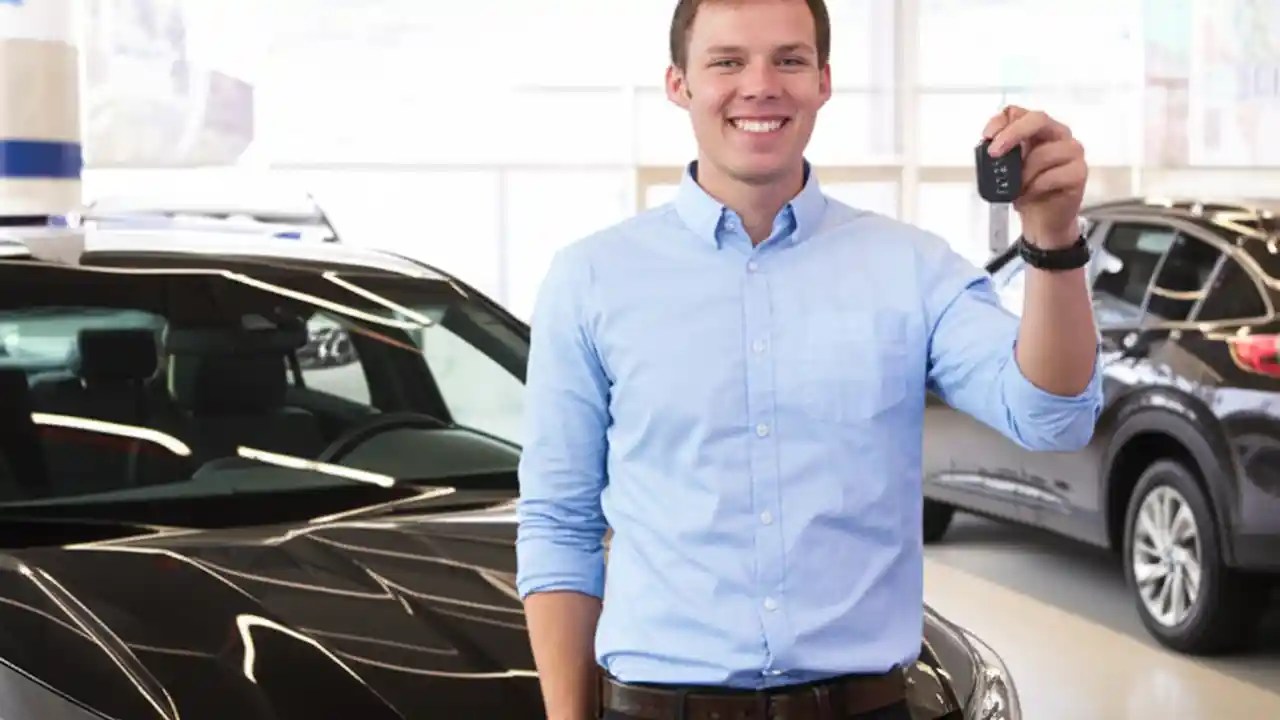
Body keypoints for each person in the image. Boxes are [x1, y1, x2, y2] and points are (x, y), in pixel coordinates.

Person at [515, 0, 1103, 718]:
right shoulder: (591, 279)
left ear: (824, 80)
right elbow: (559, 524)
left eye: (789, 60)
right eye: (727, 61)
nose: (760, 84)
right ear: (679, 84)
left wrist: (1052, 237)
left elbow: (1051, 417)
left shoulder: (910, 269)